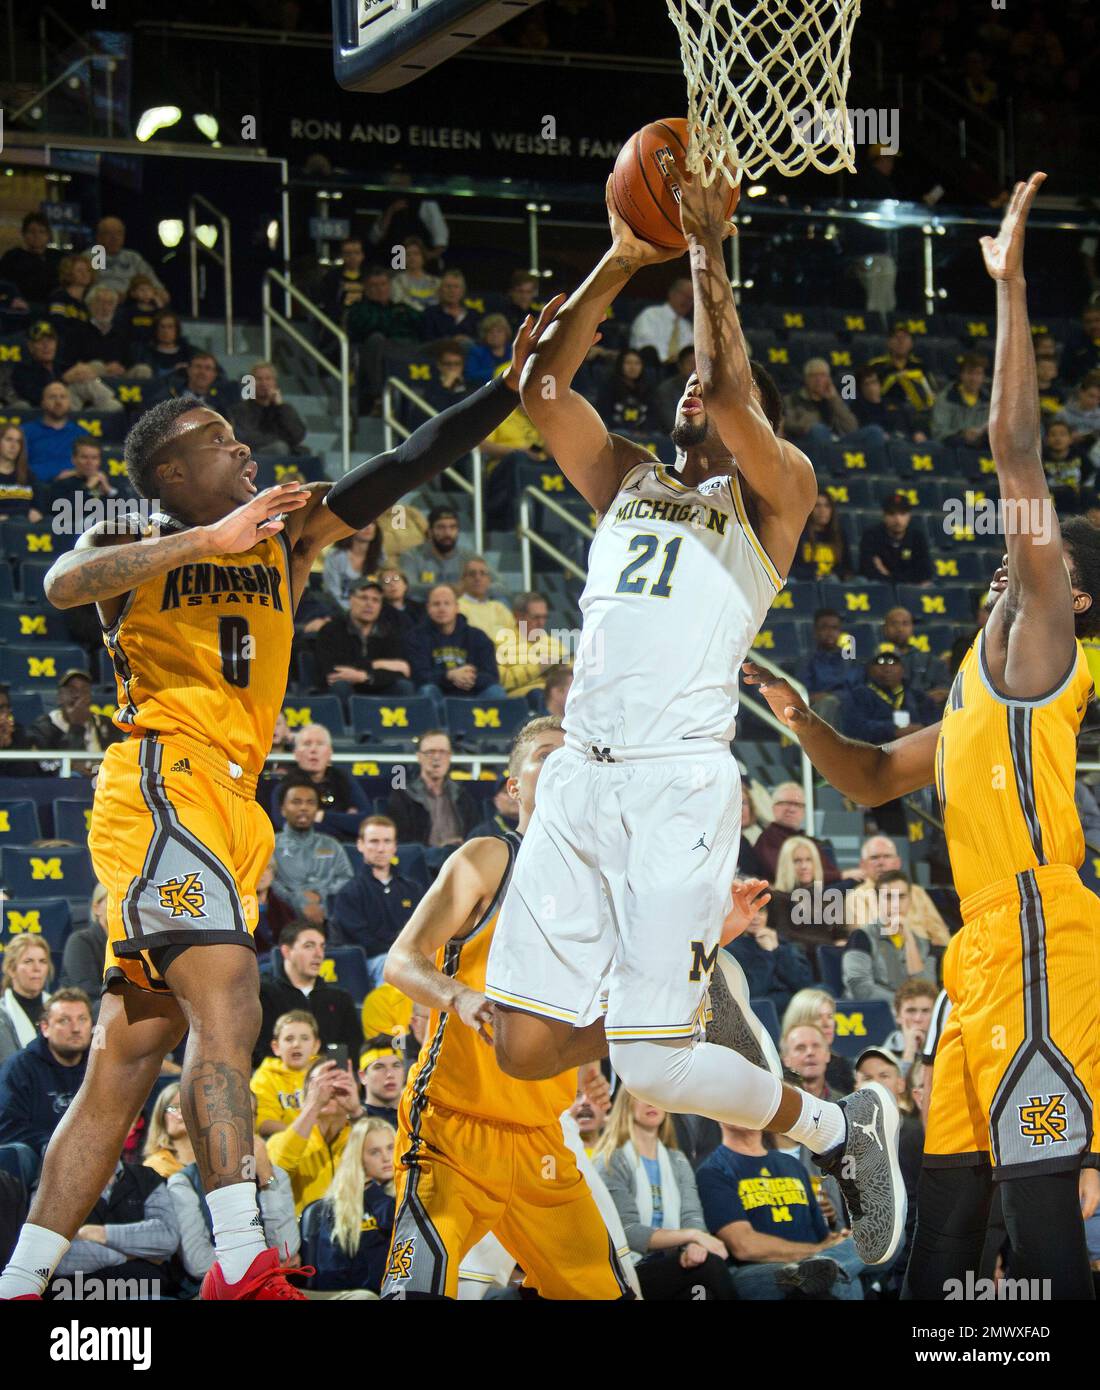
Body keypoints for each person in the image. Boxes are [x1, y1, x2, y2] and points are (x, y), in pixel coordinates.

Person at [0, 304, 547, 1301]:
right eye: (218, 441)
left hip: (232, 804)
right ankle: (243, 1265)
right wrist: (203, 535)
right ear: (170, 473)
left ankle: (21, 1280)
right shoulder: (141, 538)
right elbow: (62, 581)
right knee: (231, 1003)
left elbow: (402, 464)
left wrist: (504, 392)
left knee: (125, 1061)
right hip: (165, 780)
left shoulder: (283, 540)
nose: (243, 448)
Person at [482, 166, 906, 1268]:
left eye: (703, 384)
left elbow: (725, 395)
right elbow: (536, 388)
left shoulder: (777, 498)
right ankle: (657, 1005)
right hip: (580, 774)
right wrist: (624, 255)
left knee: (656, 1067)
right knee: (524, 1044)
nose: (683, 389)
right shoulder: (628, 479)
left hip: (676, 783)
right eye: (675, 381)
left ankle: (830, 1126)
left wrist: (709, 250)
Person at [746, 177, 1100, 1298]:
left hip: (1046, 932)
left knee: (1039, 1205)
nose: (1016, 549)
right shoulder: (968, 686)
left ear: (1071, 593)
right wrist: (802, 719)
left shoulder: (1044, 647)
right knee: (946, 1209)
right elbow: (862, 779)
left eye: (1043, 554)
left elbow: (1012, 459)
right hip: (978, 955)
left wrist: (1005, 291)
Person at [380, 716, 635, 1299]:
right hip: (452, 1127)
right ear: (514, 786)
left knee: (602, 1291)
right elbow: (401, 960)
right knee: (416, 1289)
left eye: (574, 758)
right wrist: (458, 995)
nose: (563, 764)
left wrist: (589, 1064)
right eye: (546, 755)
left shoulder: (601, 888)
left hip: (544, 1135)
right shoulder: (490, 856)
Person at [697, 1124, 870, 1300]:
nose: (747, 1110)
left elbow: (823, 1237)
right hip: (757, 1270)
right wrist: (818, 1252)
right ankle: (833, 1266)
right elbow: (744, 1246)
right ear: (719, 1117)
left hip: (816, 1261)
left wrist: (838, 1241)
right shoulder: (713, 1170)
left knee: (871, 1243)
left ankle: (833, 1265)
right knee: (838, 1276)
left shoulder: (792, 1164)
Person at [593, 1088, 734, 1300]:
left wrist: (695, 1246)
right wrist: (693, 1236)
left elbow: (691, 1216)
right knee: (710, 1268)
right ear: (625, 1104)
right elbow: (628, 1231)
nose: (651, 1103)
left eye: (656, 1097)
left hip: (669, 1261)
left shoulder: (677, 1160)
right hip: (627, 1269)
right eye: (641, 1097)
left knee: (698, 1290)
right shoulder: (610, 1160)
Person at [328, 815, 424, 988]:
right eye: (374, 841)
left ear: (395, 846)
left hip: (411, 959)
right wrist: (398, 952)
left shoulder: (413, 889)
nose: (381, 848)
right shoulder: (349, 892)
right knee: (389, 965)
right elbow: (362, 941)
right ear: (360, 845)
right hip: (372, 962)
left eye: (387, 841)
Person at [266, 1055, 369, 1213]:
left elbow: (383, 1160)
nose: (327, 1089)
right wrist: (313, 1106)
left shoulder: (361, 1132)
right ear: (306, 1095)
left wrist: (355, 1111)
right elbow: (278, 1170)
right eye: (319, 1083)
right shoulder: (282, 1140)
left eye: (336, 1080)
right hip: (305, 1234)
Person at [255, 923, 362, 1073]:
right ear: (286, 951)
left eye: (322, 947)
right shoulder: (265, 994)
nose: (319, 954)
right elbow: (259, 1049)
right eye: (309, 946)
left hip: (330, 1081)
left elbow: (353, 1050)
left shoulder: (340, 998)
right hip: (277, 1084)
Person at [0, 990, 92, 1164]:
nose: (75, 1029)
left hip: (92, 1158)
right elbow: (7, 1127)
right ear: (45, 1028)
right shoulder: (19, 1068)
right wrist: (53, 1148)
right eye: (64, 1021)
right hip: (37, 1162)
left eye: (82, 1019)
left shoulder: (100, 1066)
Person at [308, 1115, 396, 1294]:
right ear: (359, 1158)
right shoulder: (339, 1206)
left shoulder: (409, 1194)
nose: (386, 1157)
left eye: (391, 1148)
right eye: (375, 1152)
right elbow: (330, 1273)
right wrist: (370, 1191)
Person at [408, 583, 507, 709]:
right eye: (436, 604)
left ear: (457, 607)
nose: (442, 609)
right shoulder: (416, 637)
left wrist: (470, 677)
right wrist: (449, 676)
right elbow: (419, 677)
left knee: (496, 692)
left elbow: (492, 676)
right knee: (427, 690)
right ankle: (438, 729)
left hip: (472, 694)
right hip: (439, 696)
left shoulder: (478, 636)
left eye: (447, 603)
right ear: (428, 608)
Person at [842, 871, 936, 1001]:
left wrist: (909, 941)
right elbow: (860, 988)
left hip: (913, 1015)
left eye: (901, 897)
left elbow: (928, 990)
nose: (896, 904)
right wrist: (903, 1004)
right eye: (888, 897)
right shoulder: (860, 937)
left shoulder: (924, 943)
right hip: (875, 1013)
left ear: (910, 900)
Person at [844, 834, 951, 946]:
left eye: (887, 856)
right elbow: (867, 939)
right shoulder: (856, 897)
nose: (881, 863)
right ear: (863, 865)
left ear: (898, 863)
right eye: (874, 858)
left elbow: (942, 936)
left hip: (927, 956)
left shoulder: (917, 892)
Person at [315, 578, 410, 703]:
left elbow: (401, 672)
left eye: (375, 600)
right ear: (350, 600)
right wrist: (379, 665)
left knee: (403, 686)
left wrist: (365, 676)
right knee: (340, 686)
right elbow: (334, 672)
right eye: (364, 598)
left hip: (375, 686)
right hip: (344, 690)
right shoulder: (331, 630)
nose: (369, 604)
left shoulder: (389, 632)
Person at [273, 777, 354, 917]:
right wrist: (298, 899)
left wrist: (320, 894)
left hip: (330, 917)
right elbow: (268, 881)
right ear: (283, 810)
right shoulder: (271, 845)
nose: (304, 808)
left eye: (310, 802)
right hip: (284, 917)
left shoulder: (332, 845)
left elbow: (346, 878)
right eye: (296, 802)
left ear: (317, 810)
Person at [385, 728, 479, 846]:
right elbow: (402, 843)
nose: (437, 757)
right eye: (430, 752)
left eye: (443, 752)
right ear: (419, 756)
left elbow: (474, 837)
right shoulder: (403, 796)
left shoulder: (462, 796)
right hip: (422, 861)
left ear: (450, 756)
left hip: (458, 860)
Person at [277, 723, 371, 840]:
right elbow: (282, 823)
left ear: (330, 753)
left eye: (320, 744)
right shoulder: (286, 784)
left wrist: (323, 816)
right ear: (296, 754)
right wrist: (344, 821)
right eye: (307, 744)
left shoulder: (343, 778)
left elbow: (366, 822)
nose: (313, 750)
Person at [724, 893, 812, 1017]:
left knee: (823, 991)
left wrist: (777, 950)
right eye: (750, 911)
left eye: (761, 911)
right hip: (762, 1008)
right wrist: (767, 954)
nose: (756, 917)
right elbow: (754, 991)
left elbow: (804, 983)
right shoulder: (731, 948)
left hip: (793, 1003)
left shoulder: (780, 942)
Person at [13, 321, 121, 414]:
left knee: (86, 377)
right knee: (77, 385)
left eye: (50, 341)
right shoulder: (23, 369)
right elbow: (35, 397)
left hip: (74, 408)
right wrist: (64, 380)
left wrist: (88, 374)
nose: (46, 346)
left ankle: (110, 404)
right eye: (40, 342)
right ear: (31, 346)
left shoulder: (61, 365)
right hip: (47, 412)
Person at [840, 648, 934, 745]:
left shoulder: (918, 696)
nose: (887, 668)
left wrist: (921, 730)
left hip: (915, 747)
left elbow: (935, 724)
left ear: (903, 669)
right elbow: (854, 729)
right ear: (870, 669)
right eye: (880, 663)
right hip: (875, 750)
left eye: (893, 663)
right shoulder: (859, 695)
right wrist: (892, 730)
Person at [251, 1009, 321, 1138]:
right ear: (276, 1047)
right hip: (284, 1148)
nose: (296, 1044)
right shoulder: (265, 1077)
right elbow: (263, 1123)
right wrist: (302, 1133)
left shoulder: (325, 1073)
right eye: (289, 1039)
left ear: (316, 1046)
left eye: (305, 1038)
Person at [752, 782, 839, 883]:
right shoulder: (767, 840)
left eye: (797, 804)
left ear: (804, 811)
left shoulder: (808, 841)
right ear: (774, 808)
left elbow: (829, 871)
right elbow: (787, 876)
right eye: (785, 803)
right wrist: (841, 875)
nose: (791, 809)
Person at [781, 989, 856, 1095]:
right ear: (799, 1021)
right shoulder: (779, 1072)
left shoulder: (842, 1067)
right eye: (817, 1017)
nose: (827, 1024)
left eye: (830, 1017)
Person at [497, 591, 568, 698]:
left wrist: (564, 672)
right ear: (517, 616)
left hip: (557, 695)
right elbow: (502, 681)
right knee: (538, 694)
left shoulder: (555, 644)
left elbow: (573, 674)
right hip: (524, 698)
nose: (541, 623)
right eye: (535, 617)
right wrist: (538, 668)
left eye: (544, 617)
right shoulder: (501, 643)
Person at [865, 325, 936, 432]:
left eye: (905, 338)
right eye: (896, 338)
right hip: (888, 410)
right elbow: (866, 393)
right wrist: (894, 378)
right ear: (888, 342)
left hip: (917, 412)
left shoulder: (921, 366)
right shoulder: (876, 366)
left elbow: (932, 392)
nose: (901, 342)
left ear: (911, 343)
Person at [228, 363, 308, 457]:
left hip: (283, 455)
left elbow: (297, 435)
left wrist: (281, 407)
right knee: (280, 447)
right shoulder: (240, 410)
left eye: (268, 379)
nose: (264, 383)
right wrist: (282, 439)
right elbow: (247, 437)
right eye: (259, 379)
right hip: (254, 455)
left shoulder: (284, 409)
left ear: (275, 383)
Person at [798, 608, 860, 728]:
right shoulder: (805, 661)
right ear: (816, 631)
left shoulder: (851, 661)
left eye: (834, 628)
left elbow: (857, 692)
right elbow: (803, 696)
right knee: (829, 703)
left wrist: (832, 696)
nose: (830, 632)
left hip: (846, 708)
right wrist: (827, 698)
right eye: (824, 627)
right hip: (817, 710)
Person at [880, 606, 952, 706]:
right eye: (894, 624)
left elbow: (945, 691)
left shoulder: (932, 662)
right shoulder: (872, 663)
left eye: (905, 623)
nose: (900, 629)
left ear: (912, 627)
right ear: (885, 628)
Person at [22, 384, 92, 485]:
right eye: (52, 397)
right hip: (35, 489)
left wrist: (75, 473)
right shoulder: (25, 432)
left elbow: (90, 467)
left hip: (71, 489)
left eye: (63, 397)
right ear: (43, 402)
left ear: (69, 402)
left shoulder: (82, 434)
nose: (58, 402)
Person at [783, 359, 860, 450]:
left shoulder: (833, 399)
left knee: (873, 432)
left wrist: (834, 400)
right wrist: (807, 425)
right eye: (814, 376)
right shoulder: (792, 399)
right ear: (806, 379)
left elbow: (852, 427)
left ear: (829, 379)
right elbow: (788, 424)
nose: (818, 380)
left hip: (837, 441)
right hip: (808, 443)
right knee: (819, 430)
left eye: (823, 375)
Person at [87, 217, 168, 302]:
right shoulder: (90, 257)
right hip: (102, 302)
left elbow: (154, 283)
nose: (114, 238)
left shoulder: (133, 257)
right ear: (99, 237)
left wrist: (160, 292)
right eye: (109, 233)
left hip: (133, 302)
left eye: (119, 233)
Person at [858, 493, 932, 584]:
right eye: (892, 514)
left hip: (909, 590)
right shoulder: (871, 536)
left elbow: (924, 573)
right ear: (884, 516)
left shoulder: (917, 537)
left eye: (902, 514)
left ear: (909, 516)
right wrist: (903, 577)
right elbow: (868, 572)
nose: (898, 520)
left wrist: (889, 574)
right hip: (880, 589)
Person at [59, 884, 110, 1012]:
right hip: (84, 1010)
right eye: (112, 900)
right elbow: (86, 990)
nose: (118, 907)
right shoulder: (80, 941)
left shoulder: (133, 943)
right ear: (96, 908)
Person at [47, 437, 124, 520]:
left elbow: (126, 511)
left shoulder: (109, 482)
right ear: (73, 459)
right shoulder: (62, 484)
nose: (89, 462)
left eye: (94, 458)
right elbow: (63, 513)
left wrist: (109, 490)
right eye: (84, 457)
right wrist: (87, 487)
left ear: (100, 460)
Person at [0, 935, 53, 1051]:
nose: (37, 968)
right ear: (11, 969)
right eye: (28, 961)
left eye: (43, 961)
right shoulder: (2, 1014)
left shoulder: (58, 1008)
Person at [403, 505, 475, 587]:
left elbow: (491, 586)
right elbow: (409, 589)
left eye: (453, 527)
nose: (447, 533)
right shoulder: (412, 557)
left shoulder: (469, 558)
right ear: (430, 532)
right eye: (441, 527)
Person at [0, 213, 62, 306]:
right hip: (22, 308)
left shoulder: (58, 257)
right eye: (32, 231)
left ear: (48, 235)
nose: (37, 235)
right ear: (24, 234)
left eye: (42, 231)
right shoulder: (13, 257)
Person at [880, 979, 939, 1078]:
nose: (918, 1018)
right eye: (911, 1011)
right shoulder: (883, 1055)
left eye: (925, 1011)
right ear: (898, 1016)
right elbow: (891, 1091)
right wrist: (909, 1053)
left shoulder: (946, 1046)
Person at [930, 353, 991, 448]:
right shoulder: (946, 398)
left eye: (978, 373)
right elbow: (938, 432)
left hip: (981, 451)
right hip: (953, 451)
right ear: (961, 375)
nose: (974, 379)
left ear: (983, 377)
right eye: (970, 373)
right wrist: (962, 434)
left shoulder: (989, 401)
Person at [850, 364, 925, 441]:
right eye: (867, 384)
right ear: (860, 388)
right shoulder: (857, 407)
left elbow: (911, 425)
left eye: (874, 382)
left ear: (879, 384)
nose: (871, 387)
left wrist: (917, 432)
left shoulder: (894, 402)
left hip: (905, 443)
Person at [629, 277, 693, 367]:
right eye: (685, 296)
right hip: (651, 368)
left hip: (678, 374)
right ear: (672, 294)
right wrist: (667, 360)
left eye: (691, 299)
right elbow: (644, 348)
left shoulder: (687, 327)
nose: (687, 302)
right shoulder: (650, 315)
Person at [322, 521, 385, 610]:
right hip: (339, 610)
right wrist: (353, 611)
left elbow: (380, 590)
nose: (368, 527)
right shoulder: (336, 555)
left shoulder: (380, 555)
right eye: (365, 523)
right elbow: (332, 591)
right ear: (350, 528)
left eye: (372, 523)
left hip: (369, 610)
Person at [791, 491, 852, 581]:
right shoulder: (799, 534)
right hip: (806, 582)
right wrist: (812, 575)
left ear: (832, 510)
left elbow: (847, 568)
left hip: (832, 583)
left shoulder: (839, 535)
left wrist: (831, 575)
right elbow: (792, 567)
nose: (822, 510)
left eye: (826, 506)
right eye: (817, 506)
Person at [596, 348, 658, 432]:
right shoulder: (609, 386)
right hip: (615, 431)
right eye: (628, 363)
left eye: (637, 363)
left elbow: (653, 415)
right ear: (620, 365)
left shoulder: (648, 387)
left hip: (642, 433)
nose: (633, 367)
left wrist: (643, 430)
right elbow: (604, 415)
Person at [457, 556, 515, 643]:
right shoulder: (457, 608)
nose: (478, 578)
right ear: (463, 580)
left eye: (482, 573)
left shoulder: (499, 608)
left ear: (489, 580)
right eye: (472, 574)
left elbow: (516, 639)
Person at [421, 269, 481, 343]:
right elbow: (427, 341)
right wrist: (451, 342)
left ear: (462, 291)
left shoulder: (473, 314)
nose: (452, 290)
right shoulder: (430, 313)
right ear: (440, 290)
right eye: (447, 286)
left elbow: (480, 340)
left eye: (456, 287)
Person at [0, 424, 44, 521]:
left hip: (24, 529)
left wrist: (9, 516)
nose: (13, 446)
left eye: (18, 442)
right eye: (9, 440)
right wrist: (23, 513)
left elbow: (38, 509)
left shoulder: (29, 476)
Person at [319, 237, 367, 322]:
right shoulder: (332, 277)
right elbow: (328, 303)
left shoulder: (369, 277)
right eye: (348, 253)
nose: (352, 257)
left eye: (356, 253)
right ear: (342, 256)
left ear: (362, 255)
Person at [390, 236, 441, 311]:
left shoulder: (436, 282)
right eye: (408, 254)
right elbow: (400, 303)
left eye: (416, 254)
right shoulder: (397, 281)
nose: (412, 258)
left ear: (423, 256)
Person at [137, 309, 193, 376]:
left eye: (170, 327)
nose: (166, 331)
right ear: (156, 330)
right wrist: (174, 371)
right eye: (162, 327)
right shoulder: (146, 352)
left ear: (177, 330)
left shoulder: (188, 352)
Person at [465, 313, 513, 387]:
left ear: (506, 333)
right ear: (484, 335)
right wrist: (498, 371)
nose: (495, 335)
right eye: (490, 332)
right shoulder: (476, 352)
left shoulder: (514, 350)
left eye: (499, 331)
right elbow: (471, 376)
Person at [467, 773, 520, 840]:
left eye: (517, 790)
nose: (513, 796)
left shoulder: (535, 831)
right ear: (496, 800)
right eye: (506, 792)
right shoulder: (480, 835)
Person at [656, 345, 697, 432]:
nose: (694, 367)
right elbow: (670, 422)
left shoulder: (707, 389)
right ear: (680, 365)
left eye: (697, 363)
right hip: (673, 436)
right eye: (690, 363)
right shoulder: (666, 389)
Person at [359, 1043, 403, 1122]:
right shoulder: (352, 1118)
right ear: (363, 1076)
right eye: (379, 1067)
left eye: (396, 1066)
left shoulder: (419, 1116)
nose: (390, 1074)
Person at [378, 565, 425, 635]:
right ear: (381, 589)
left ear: (405, 585)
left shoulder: (420, 608)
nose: (392, 584)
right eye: (386, 582)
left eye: (396, 580)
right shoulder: (379, 612)